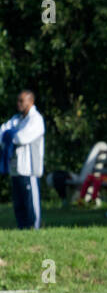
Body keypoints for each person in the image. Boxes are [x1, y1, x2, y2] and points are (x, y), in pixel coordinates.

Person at [2, 89, 46, 229]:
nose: (18, 104)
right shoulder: (17, 119)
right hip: (16, 168)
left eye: (22, 101)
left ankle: (34, 228)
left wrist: (10, 134)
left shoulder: (36, 119)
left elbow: (22, 137)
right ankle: (22, 228)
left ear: (31, 101)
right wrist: (10, 133)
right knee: (19, 203)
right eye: (18, 101)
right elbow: (2, 131)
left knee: (30, 203)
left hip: (29, 169)